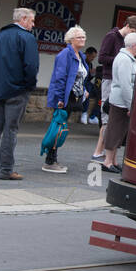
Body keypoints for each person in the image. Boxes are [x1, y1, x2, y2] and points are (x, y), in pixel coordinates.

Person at [0, 7, 39, 181]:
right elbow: (31, 66)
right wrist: (29, 86)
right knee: (10, 130)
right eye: (32, 21)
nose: (33, 25)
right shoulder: (27, 38)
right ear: (24, 19)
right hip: (16, 91)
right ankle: (5, 169)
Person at [95, 15, 136, 163]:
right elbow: (101, 58)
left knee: (114, 122)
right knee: (108, 119)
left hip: (115, 79)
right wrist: (119, 59)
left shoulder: (125, 46)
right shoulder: (112, 37)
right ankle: (99, 152)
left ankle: (108, 156)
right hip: (110, 79)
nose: (133, 34)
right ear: (127, 26)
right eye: (132, 31)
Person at [44, 25, 90, 173]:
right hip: (64, 97)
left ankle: (52, 158)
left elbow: (80, 78)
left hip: (74, 97)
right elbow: (60, 78)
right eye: (79, 37)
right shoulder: (65, 54)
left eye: (83, 37)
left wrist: (85, 90)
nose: (82, 39)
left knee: (61, 128)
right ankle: (50, 161)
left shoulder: (81, 56)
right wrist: (59, 98)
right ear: (71, 40)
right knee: (57, 128)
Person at [101, 31, 136, 174]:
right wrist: (131, 105)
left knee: (119, 131)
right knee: (115, 130)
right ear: (135, 46)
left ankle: (114, 161)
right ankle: (107, 162)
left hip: (121, 101)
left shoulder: (126, 58)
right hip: (120, 102)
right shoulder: (125, 59)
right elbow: (125, 85)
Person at [80, 47, 100, 125]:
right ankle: (84, 112)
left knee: (96, 90)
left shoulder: (90, 63)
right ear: (87, 54)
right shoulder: (81, 61)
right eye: (92, 57)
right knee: (88, 88)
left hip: (86, 82)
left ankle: (93, 115)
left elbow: (88, 78)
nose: (92, 59)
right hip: (80, 83)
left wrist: (92, 74)